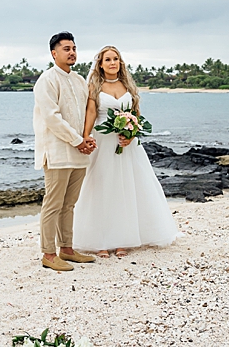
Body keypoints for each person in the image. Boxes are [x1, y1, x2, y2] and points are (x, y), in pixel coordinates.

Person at [71, 46, 179, 258]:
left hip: (127, 145)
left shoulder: (127, 85)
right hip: (102, 142)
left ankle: (122, 240)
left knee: (126, 188)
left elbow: (135, 114)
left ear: (120, 63)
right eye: (108, 59)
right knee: (100, 188)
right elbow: (91, 112)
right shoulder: (93, 86)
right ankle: (100, 241)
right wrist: (85, 136)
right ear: (100, 65)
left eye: (116, 59)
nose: (112, 63)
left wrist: (131, 135)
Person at [33, 32, 98, 272]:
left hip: (79, 151)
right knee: (53, 204)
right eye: (66, 49)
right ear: (54, 53)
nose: (71, 52)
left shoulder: (79, 80)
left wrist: (87, 138)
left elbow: (84, 114)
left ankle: (67, 249)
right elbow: (52, 118)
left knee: (69, 204)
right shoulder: (47, 80)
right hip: (57, 151)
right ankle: (48, 254)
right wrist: (77, 140)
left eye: (74, 48)